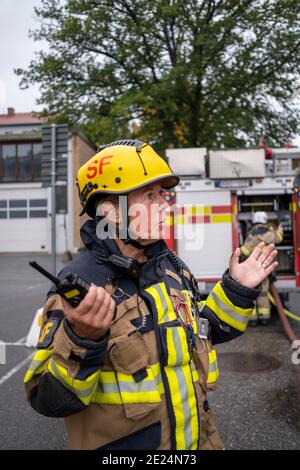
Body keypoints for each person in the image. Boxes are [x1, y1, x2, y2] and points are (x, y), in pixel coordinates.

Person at [24, 140, 278, 450]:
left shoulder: (169, 270)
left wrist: (236, 290)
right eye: (149, 196)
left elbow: (203, 332)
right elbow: (48, 400)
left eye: (163, 195)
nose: (165, 205)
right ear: (111, 210)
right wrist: (82, 339)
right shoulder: (82, 287)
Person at [240, 211, 283, 326]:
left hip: (254, 270)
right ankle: (265, 317)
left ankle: (253, 319)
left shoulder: (252, 234)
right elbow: (279, 237)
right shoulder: (270, 232)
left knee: (252, 292)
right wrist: (279, 227)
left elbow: (244, 250)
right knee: (263, 293)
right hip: (267, 269)